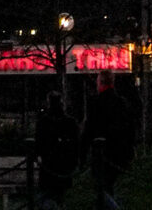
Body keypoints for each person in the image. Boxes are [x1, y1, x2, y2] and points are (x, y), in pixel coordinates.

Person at [83, 73, 138, 210]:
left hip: (103, 153)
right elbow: (131, 128)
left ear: (100, 83)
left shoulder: (96, 103)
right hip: (120, 151)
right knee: (109, 186)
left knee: (101, 187)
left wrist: (82, 153)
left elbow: (88, 130)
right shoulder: (122, 103)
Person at [33, 90, 78, 210]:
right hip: (64, 168)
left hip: (48, 167)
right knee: (59, 196)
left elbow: (37, 146)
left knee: (44, 197)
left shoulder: (43, 123)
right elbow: (75, 144)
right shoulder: (70, 122)